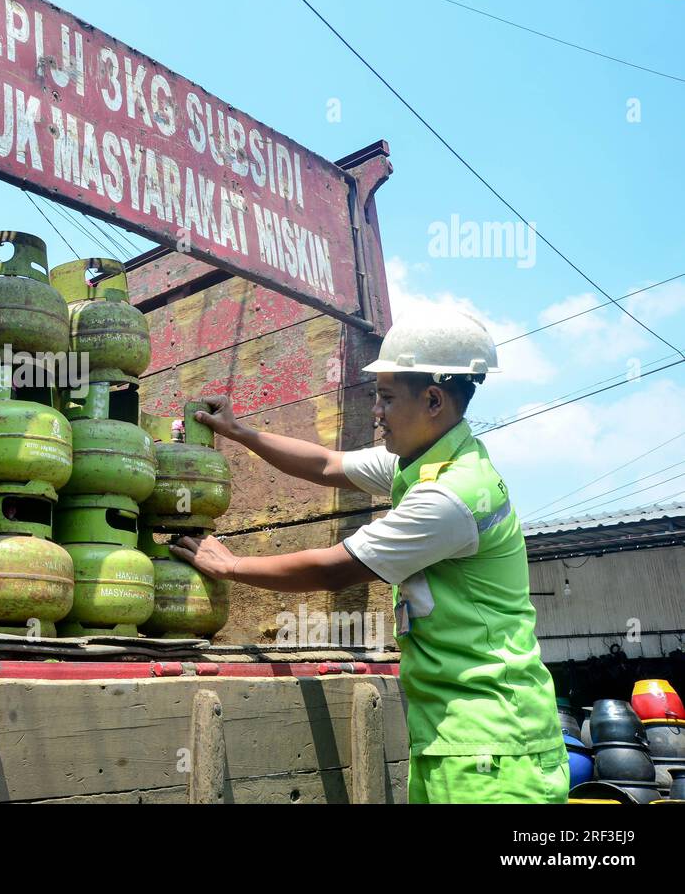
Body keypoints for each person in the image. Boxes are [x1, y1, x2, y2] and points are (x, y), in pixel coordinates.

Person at [170, 308, 567, 803]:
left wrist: (230, 566)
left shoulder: (451, 495)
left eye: (386, 398)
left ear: (434, 400)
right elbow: (327, 464)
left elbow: (335, 568)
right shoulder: (425, 461)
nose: (376, 412)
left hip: (493, 748)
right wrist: (241, 433)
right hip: (453, 737)